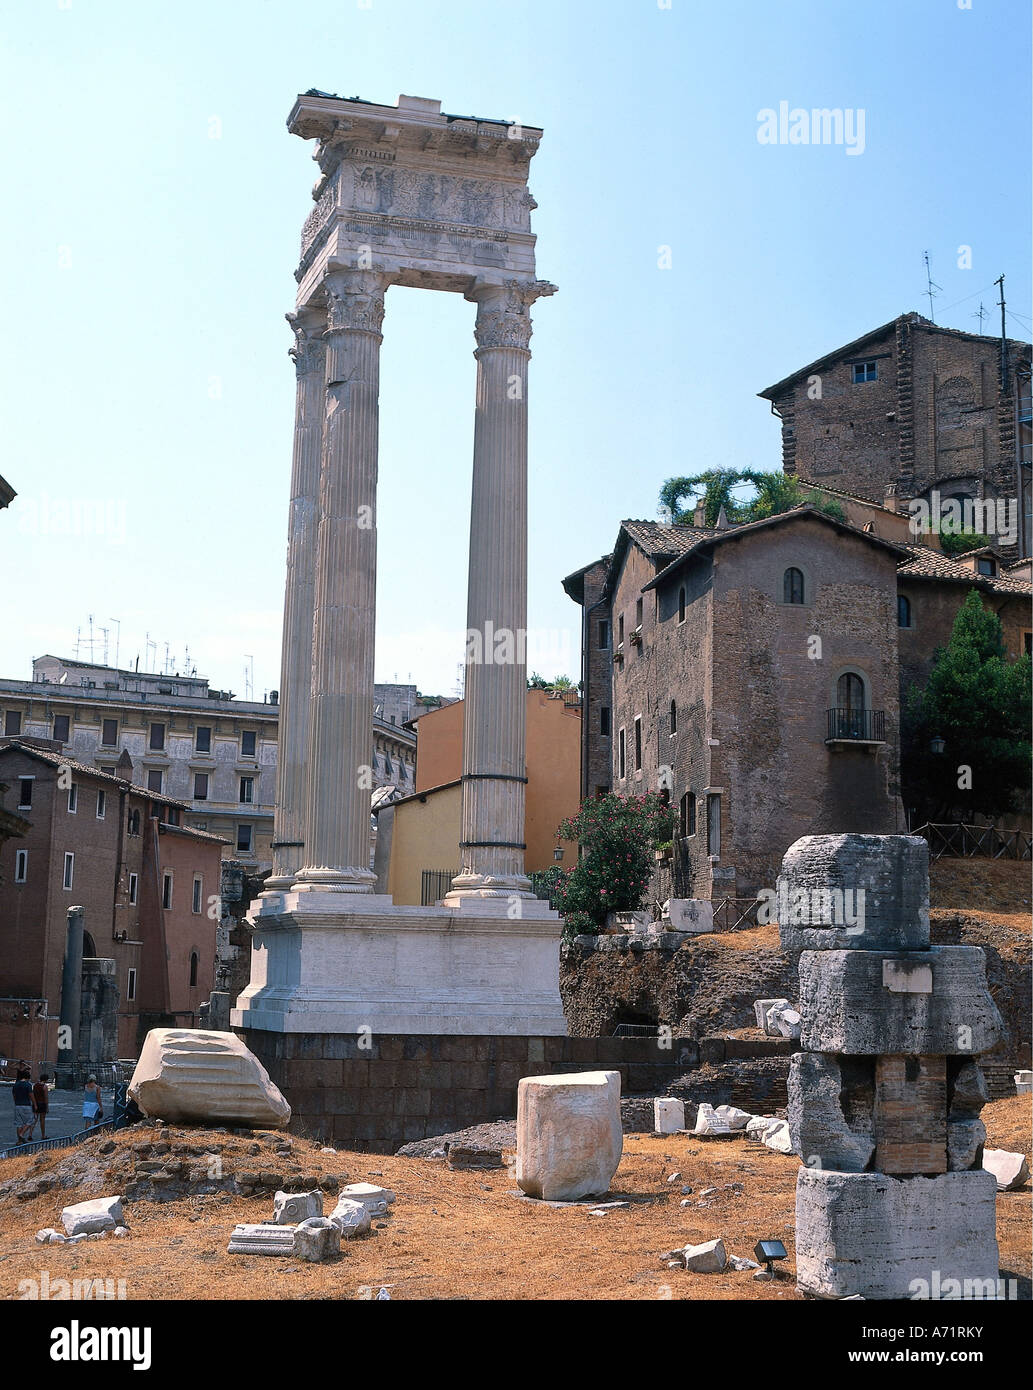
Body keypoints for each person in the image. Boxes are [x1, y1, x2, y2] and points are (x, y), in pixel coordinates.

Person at [12, 1069, 35, 1144]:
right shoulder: (28, 1085)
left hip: (17, 1105)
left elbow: (14, 1095)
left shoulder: (16, 1084)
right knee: (30, 1121)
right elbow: (31, 1095)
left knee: (19, 1123)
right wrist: (35, 1104)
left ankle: (19, 1141)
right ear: (28, 1077)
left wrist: (16, 1102)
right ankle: (22, 1134)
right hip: (26, 1105)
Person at [32, 1073, 51, 1140]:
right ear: (46, 1079)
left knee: (35, 1119)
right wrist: (47, 1107)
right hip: (42, 1104)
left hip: (36, 1103)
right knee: (42, 1120)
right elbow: (46, 1097)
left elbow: (33, 1094)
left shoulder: (35, 1085)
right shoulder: (44, 1086)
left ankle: (30, 1134)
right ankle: (43, 1135)